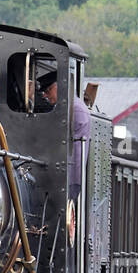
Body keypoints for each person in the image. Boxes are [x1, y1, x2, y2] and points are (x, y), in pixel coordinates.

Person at [37, 70, 90, 198]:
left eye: (48, 91)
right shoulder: (71, 107)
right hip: (69, 174)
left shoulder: (74, 109)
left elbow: (54, 139)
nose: (46, 95)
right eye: (44, 92)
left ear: (58, 86)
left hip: (70, 176)